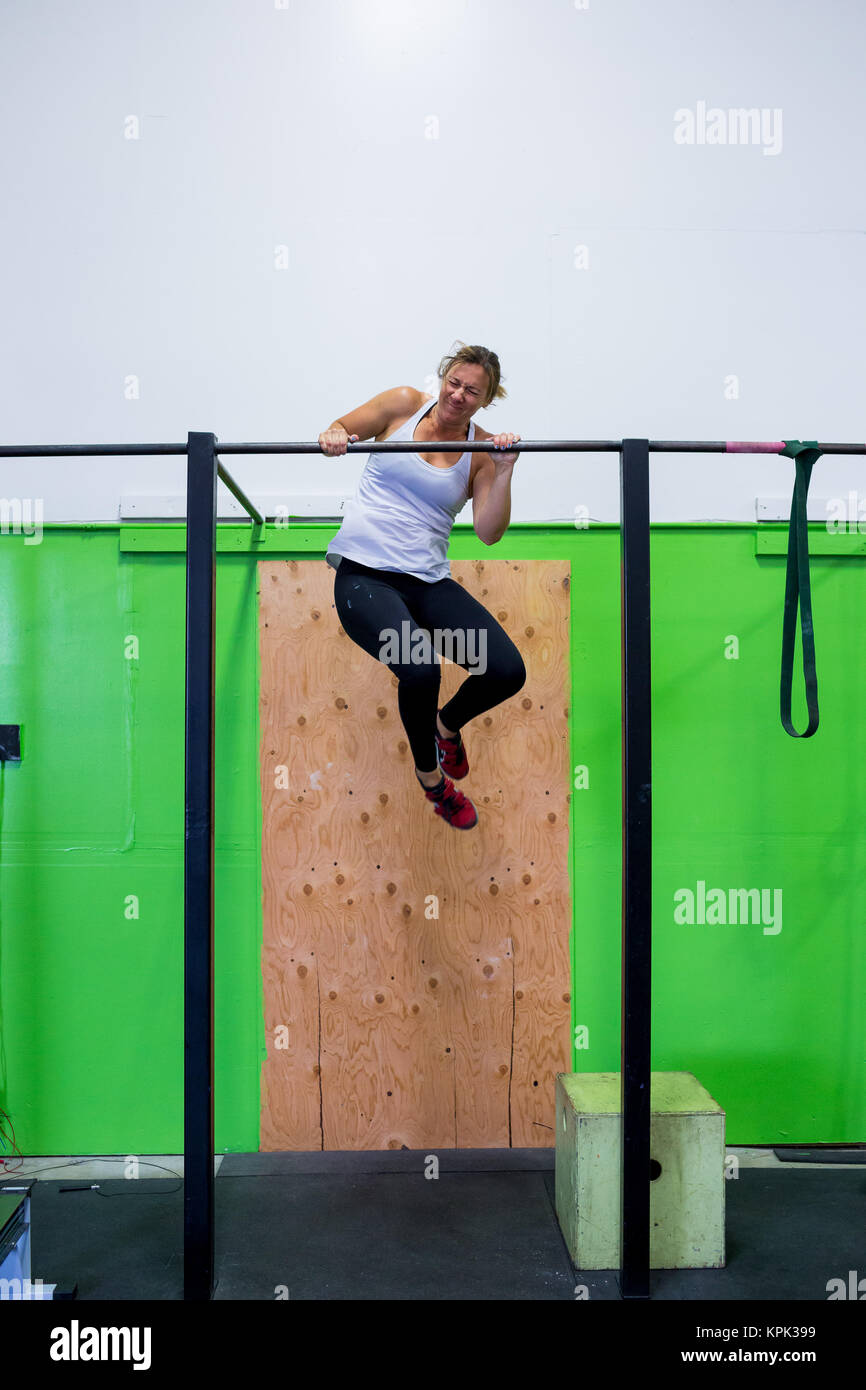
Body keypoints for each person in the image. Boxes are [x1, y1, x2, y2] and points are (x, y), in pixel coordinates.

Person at [319, 342, 527, 830]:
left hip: (426, 584)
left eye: (472, 391)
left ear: (487, 398)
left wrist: (504, 470)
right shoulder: (403, 404)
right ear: (444, 377)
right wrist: (334, 434)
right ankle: (433, 780)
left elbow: (489, 533)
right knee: (418, 667)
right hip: (365, 577)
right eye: (454, 383)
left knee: (505, 670)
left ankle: (445, 725)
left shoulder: (483, 448)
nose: (458, 396)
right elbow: (342, 427)